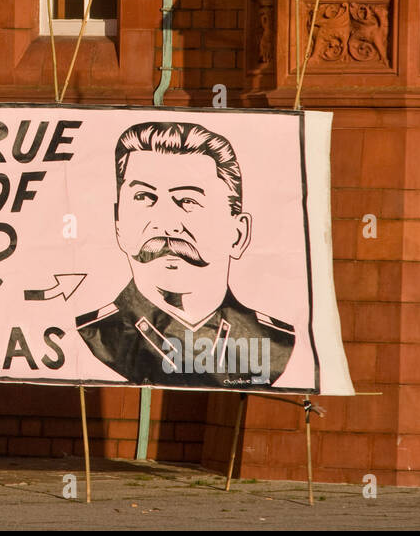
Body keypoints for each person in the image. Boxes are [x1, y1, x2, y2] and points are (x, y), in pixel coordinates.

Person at [76, 120, 295, 387]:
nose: (166, 224)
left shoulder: (275, 344)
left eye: (188, 201)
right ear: (118, 224)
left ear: (237, 234)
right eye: (145, 197)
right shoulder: (93, 336)